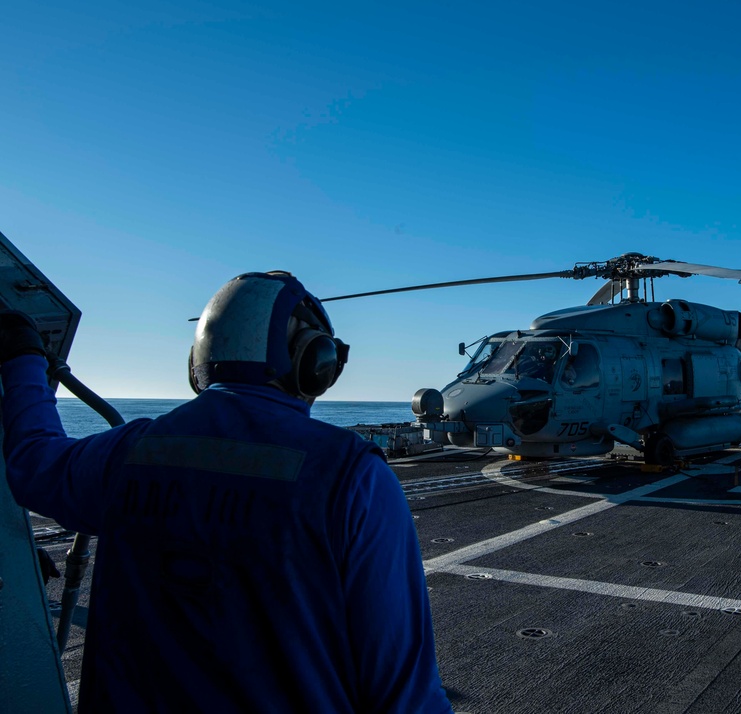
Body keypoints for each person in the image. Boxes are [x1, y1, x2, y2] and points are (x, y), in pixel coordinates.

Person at [0, 271, 452, 713]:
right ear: (314, 362)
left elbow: (33, 463)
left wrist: (23, 358)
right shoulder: (352, 475)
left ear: (199, 362)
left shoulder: (128, 452)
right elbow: (407, 694)